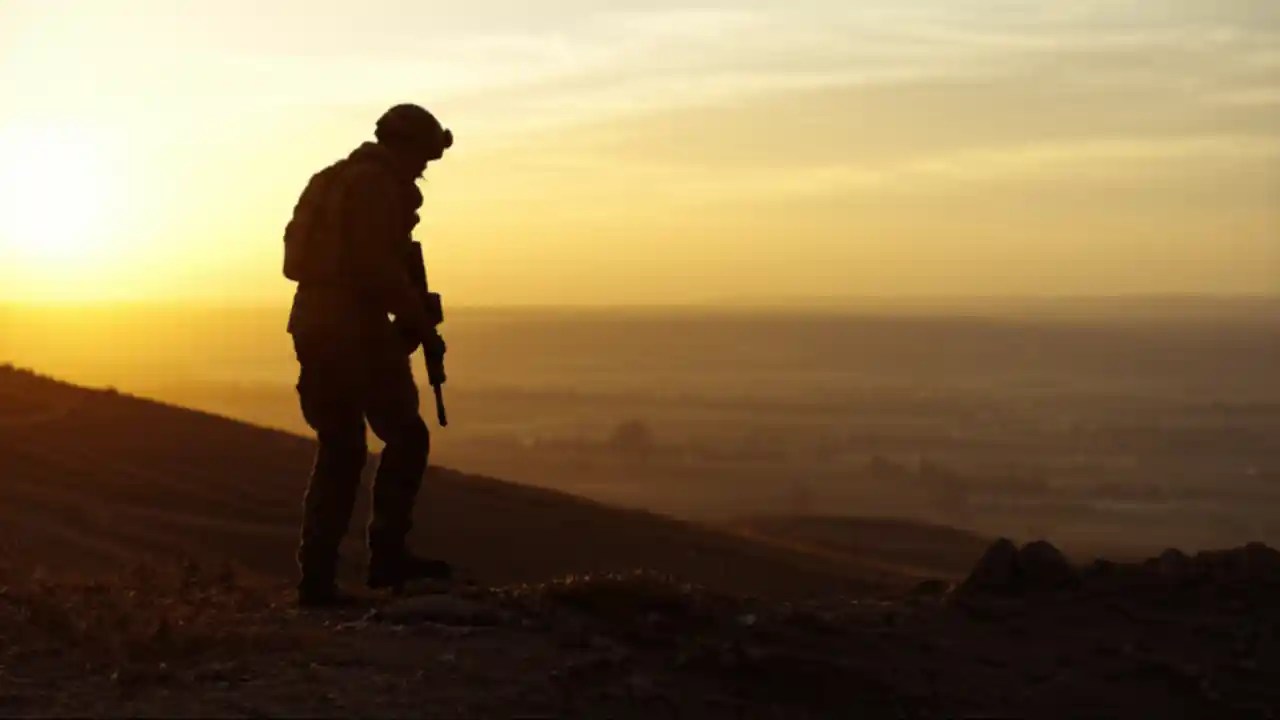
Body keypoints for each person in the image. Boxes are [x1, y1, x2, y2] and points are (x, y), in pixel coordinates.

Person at [282, 103, 454, 607]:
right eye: (423, 157)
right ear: (405, 147)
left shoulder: (333, 179)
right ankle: (386, 557)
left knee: (341, 447)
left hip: (315, 323)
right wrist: (419, 322)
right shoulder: (375, 185)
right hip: (351, 327)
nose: (423, 169)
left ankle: (317, 579)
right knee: (405, 437)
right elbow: (376, 267)